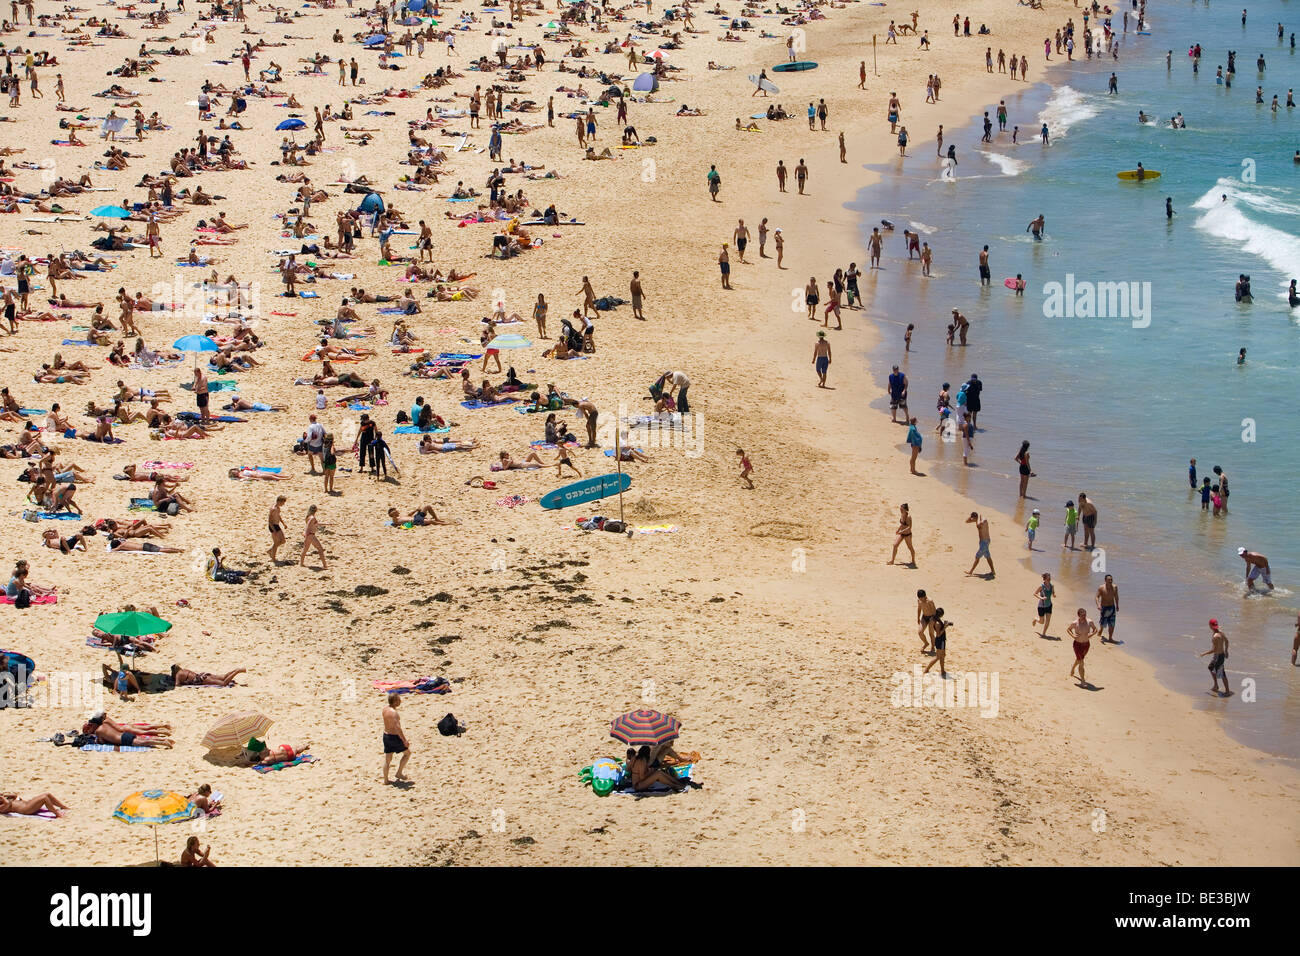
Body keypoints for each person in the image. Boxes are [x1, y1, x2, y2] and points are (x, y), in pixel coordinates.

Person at [383, 693, 411, 784]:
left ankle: (385, 780)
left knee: (387, 760)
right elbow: (398, 729)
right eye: (398, 700)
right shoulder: (394, 714)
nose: (400, 701)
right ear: (395, 702)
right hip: (394, 737)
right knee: (407, 754)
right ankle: (399, 773)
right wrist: (404, 740)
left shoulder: (385, 709)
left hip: (386, 735)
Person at [1199, 619, 1231, 697]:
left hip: (1218, 656)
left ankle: (1227, 691)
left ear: (1210, 626)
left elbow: (1214, 650)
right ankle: (1216, 686)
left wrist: (1204, 653)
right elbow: (1227, 641)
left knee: (1222, 673)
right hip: (1221, 655)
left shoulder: (1215, 637)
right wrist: (1226, 651)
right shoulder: (1221, 633)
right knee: (1210, 667)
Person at [1068, 609, 1098, 687]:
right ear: (1079, 615)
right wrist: (1073, 636)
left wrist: (1091, 634)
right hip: (1077, 645)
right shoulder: (1075, 623)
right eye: (1082, 615)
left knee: (1079, 659)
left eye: (1085, 615)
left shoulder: (1089, 622)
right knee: (1081, 662)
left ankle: (1073, 668)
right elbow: (1068, 629)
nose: (1084, 617)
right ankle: (1083, 681)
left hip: (1086, 645)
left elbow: (1095, 629)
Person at [966, 512, 994, 577]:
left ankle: (971, 571)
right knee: (988, 557)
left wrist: (981, 521)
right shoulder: (976, 520)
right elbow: (966, 521)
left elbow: (984, 520)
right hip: (983, 542)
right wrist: (970, 518)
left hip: (984, 542)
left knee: (977, 557)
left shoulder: (982, 519)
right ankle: (993, 571)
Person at [923, 609, 949, 678]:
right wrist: (945, 627)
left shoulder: (937, 620)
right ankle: (927, 669)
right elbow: (938, 634)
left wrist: (944, 625)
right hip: (940, 641)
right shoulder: (937, 623)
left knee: (943, 655)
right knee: (938, 657)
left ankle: (942, 670)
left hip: (941, 641)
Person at [0, 791, 69, 817]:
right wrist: (2, 797)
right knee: (44, 798)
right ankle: (57, 814)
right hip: (26, 809)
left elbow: (16, 797)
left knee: (47, 794)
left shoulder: (5, 800)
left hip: (27, 803)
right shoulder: (1, 807)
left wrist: (6, 795)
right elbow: (7, 804)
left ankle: (63, 807)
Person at [300, 504, 327, 569]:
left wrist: (327, 523)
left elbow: (314, 524)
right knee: (320, 549)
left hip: (309, 535)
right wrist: (305, 533)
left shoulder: (308, 517)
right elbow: (308, 525)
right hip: (311, 535)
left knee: (305, 549)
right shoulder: (312, 518)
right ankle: (325, 565)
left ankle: (301, 563)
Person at [1096, 575, 1119, 642]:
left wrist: (1117, 605)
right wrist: (1098, 605)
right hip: (1104, 608)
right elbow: (1097, 597)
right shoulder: (1101, 588)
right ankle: (1101, 629)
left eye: (1111, 579)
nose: (1110, 581)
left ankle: (1110, 638)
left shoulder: (1115, 587)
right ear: (1105, 580)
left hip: (1112, 607)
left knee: (1112, 623)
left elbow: (1116, 597)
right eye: (1109, 580)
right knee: (1103, 623)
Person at [1033, 572, 1054, 636]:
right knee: (1042, 622)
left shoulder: (1051, 586)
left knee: (1048, 621)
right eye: (1048, 579)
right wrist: (1041, 598)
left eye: (1049, 579)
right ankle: (1035, 619)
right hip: (1041, 606)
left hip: (1049, 605)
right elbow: (1035, 593)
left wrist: (1054, 594)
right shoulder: (1041, 586)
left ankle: (1044, 633)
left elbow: (1053, 592)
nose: (1049, 580)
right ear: (1044, 579)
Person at [267, 495, 287, 563]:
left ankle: (270, 551)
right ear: (279, 501)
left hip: (277, 525)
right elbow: (270, 520)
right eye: (282, 503)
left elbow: (278, 516)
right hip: (273, 526)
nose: (283, 504)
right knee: (276, 542)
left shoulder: (278, 508)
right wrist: (274, 530)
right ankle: (273, 558)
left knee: (283, 541)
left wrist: (283, 523)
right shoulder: (273, 509)